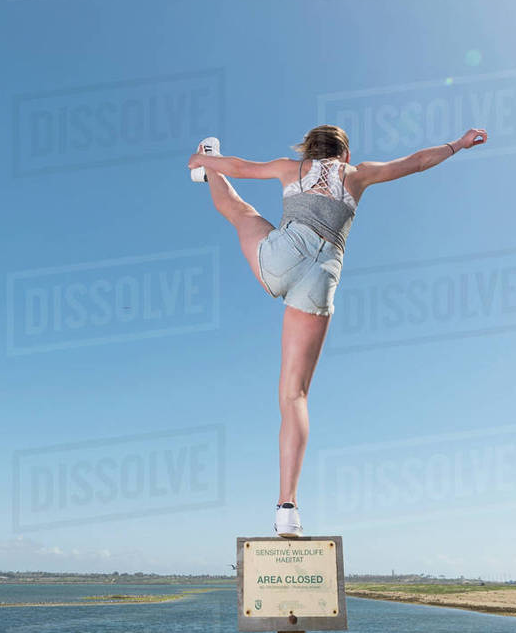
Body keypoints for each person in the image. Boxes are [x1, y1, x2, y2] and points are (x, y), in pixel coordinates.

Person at [187, 123, 487, 537]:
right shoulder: (357, 175)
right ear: (345, 154)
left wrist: (206, 160)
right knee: (295, 395)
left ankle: (206, 165)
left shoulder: (290, 168)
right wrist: (459, 144)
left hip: (282, 258)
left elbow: (241, 167)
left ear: (309, 150)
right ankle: (287, 507)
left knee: (241, 213)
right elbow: (417, 162)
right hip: (321, 278)